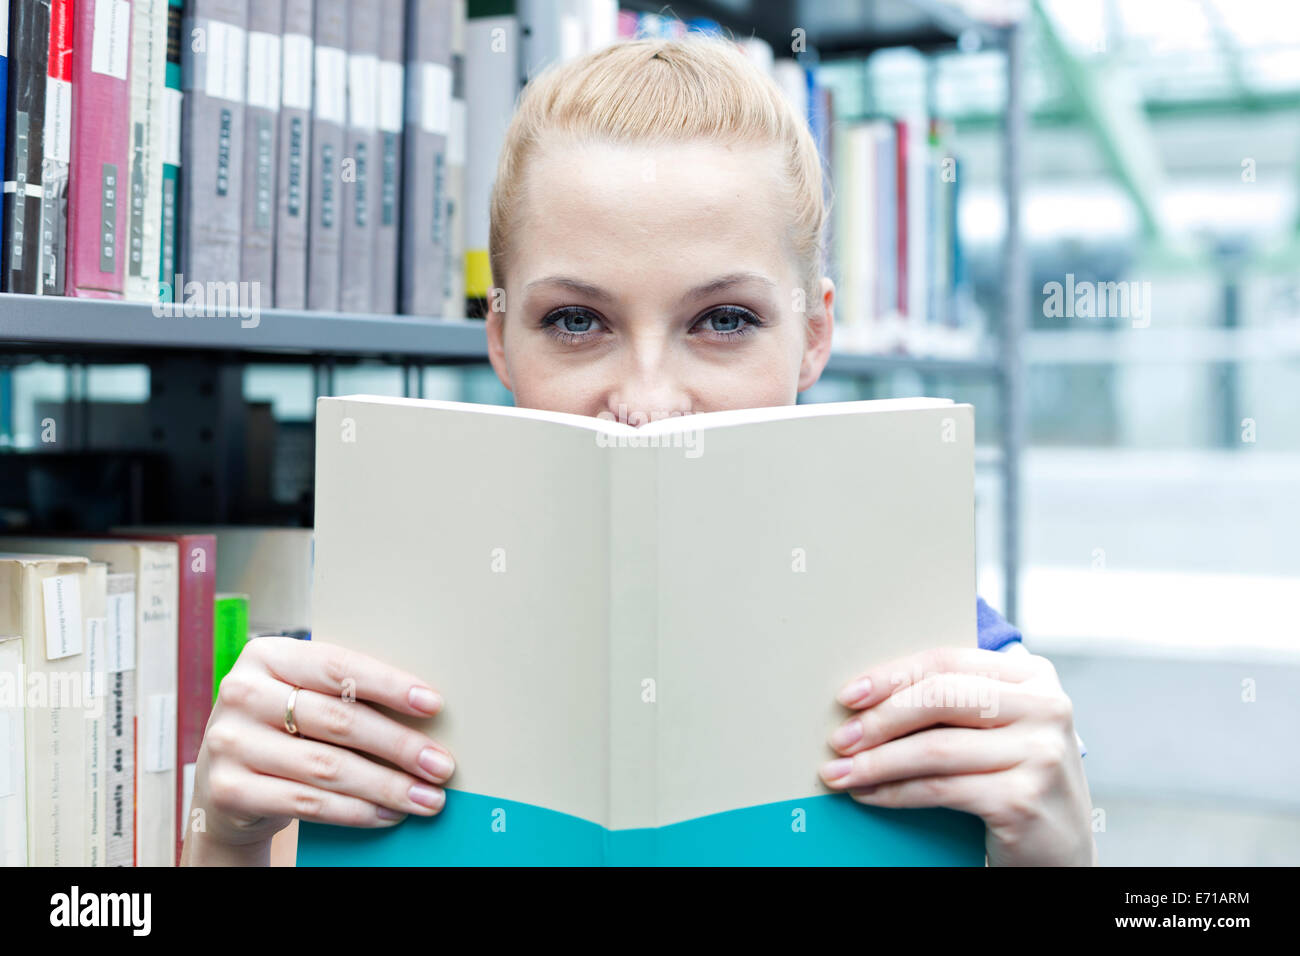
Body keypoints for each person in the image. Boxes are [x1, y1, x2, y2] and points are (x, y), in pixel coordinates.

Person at [182, 33, 1096, 867]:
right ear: (500, 340)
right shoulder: (353, 673)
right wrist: (223, 841)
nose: (649, 402)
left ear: (815, 335)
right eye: (576, 320)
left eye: (724, 319)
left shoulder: (963, 682)